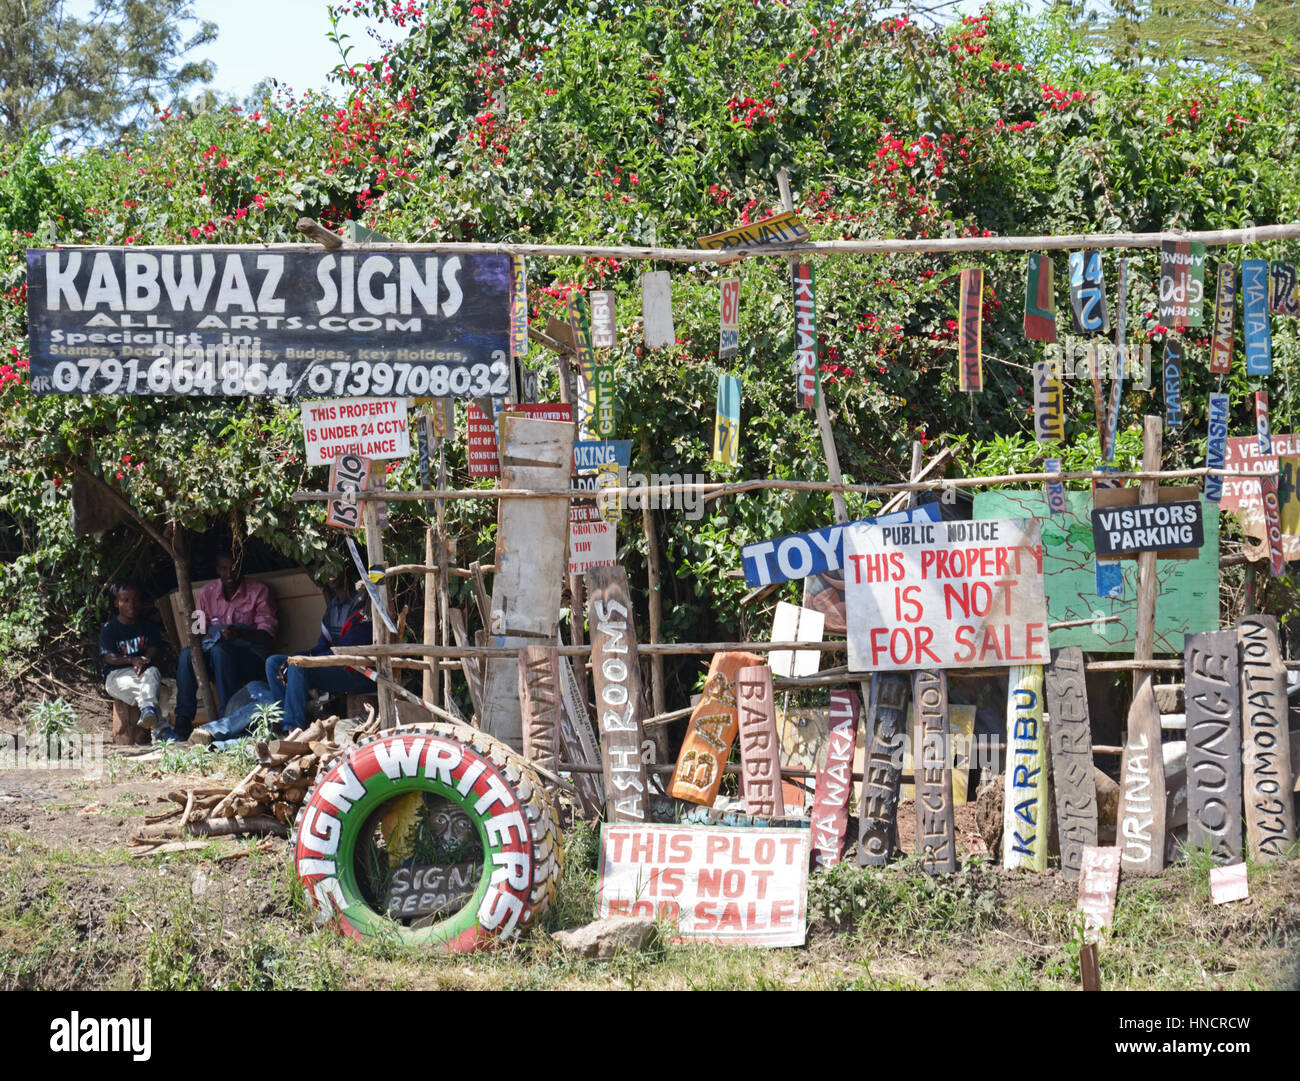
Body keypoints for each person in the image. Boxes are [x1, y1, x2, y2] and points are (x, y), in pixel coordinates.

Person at [172, 553, 278, 738]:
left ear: (241, 567)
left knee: (222, 652)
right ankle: (183, 720)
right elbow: (197, 630)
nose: (229, 573)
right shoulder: (207, 593)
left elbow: (267, 636)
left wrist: (240, 633)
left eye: (233, 567)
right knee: (187, 655)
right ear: (217, 570)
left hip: (249, 659)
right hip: (216, 657)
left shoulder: (258, 591)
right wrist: (207, 636)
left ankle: (226, 718)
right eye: (223, 568)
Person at [261, 568, 374, 735]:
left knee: (298, 665)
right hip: (335, 667)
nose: (331, 571)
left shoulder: (362, 604)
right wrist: (295, 658)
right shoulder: (334, 605)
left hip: (357, 673)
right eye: (325, 566)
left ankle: (294, 729)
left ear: (346, 568)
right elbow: (322, 646)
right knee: (274, 662)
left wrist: (302, 660)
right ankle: (280, 723)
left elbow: (346, 653)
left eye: (335, 565)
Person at [100, 581, 167, 733]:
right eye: (125, 600)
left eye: (136, 599)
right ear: (116, 603)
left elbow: (154, 646)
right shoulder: (109, 629)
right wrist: (131, 660)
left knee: (153, 672)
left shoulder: (147, 626)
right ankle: (161, 729)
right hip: (116, 676)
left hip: (143, 673)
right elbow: (109, 658)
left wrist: (145, 660)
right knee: (147, 692)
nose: (132, 604)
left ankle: (148, 712)